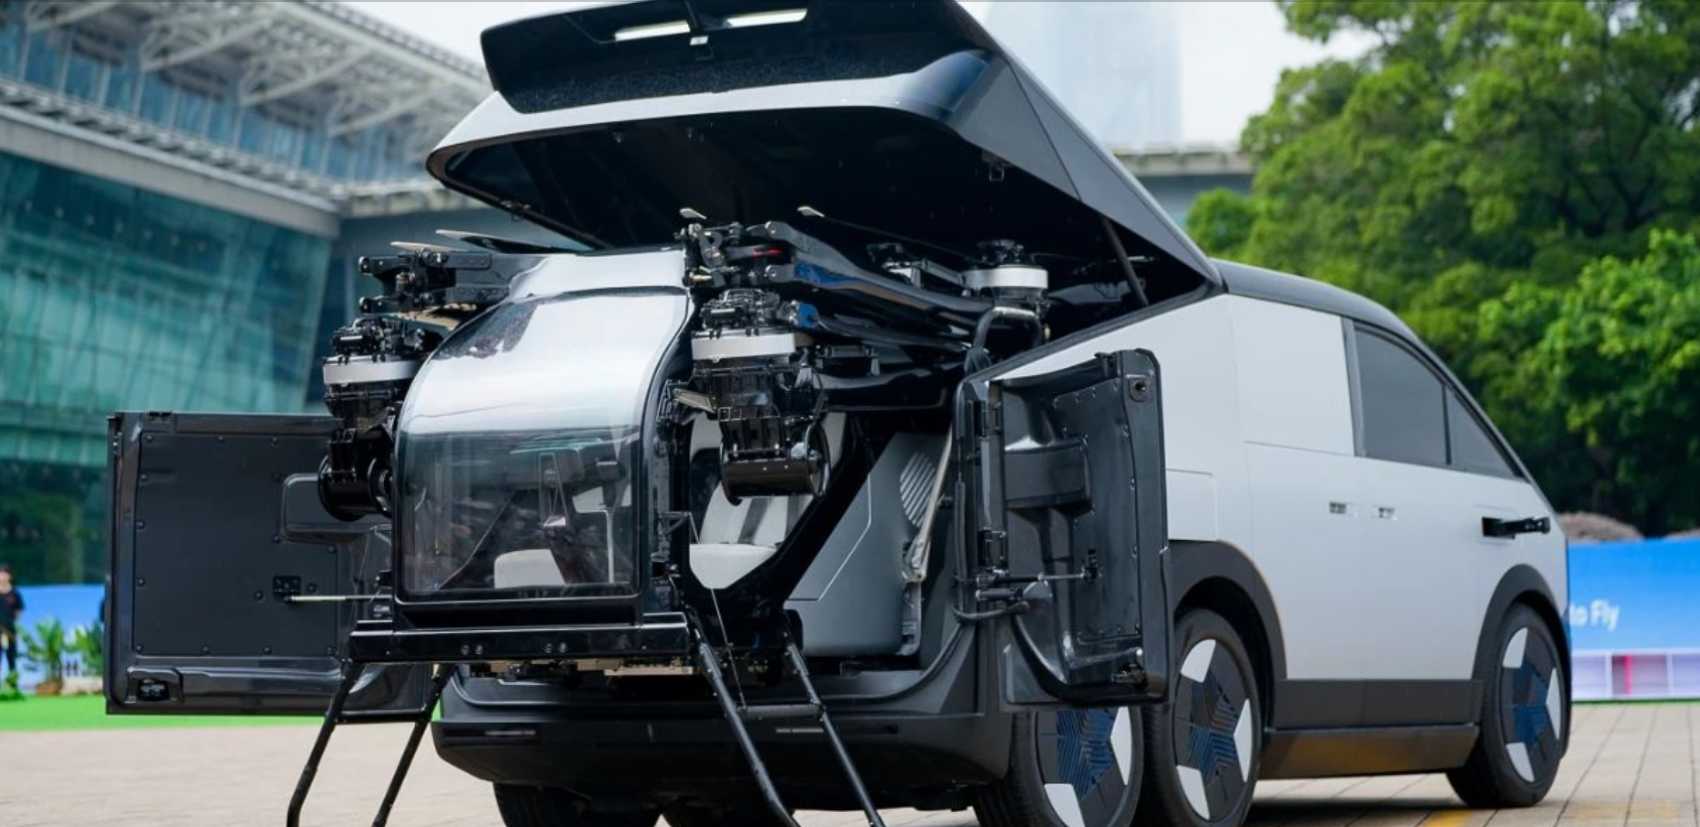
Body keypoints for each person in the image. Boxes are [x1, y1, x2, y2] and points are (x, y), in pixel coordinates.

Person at [0, 564, 22, 675]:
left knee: (11, 658)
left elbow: (19, 610)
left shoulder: (15, 593)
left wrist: (10, 622)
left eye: (4, 574)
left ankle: (12, 685)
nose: (2, 577)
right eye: (0, 574)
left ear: (9, 576)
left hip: (9, 631)